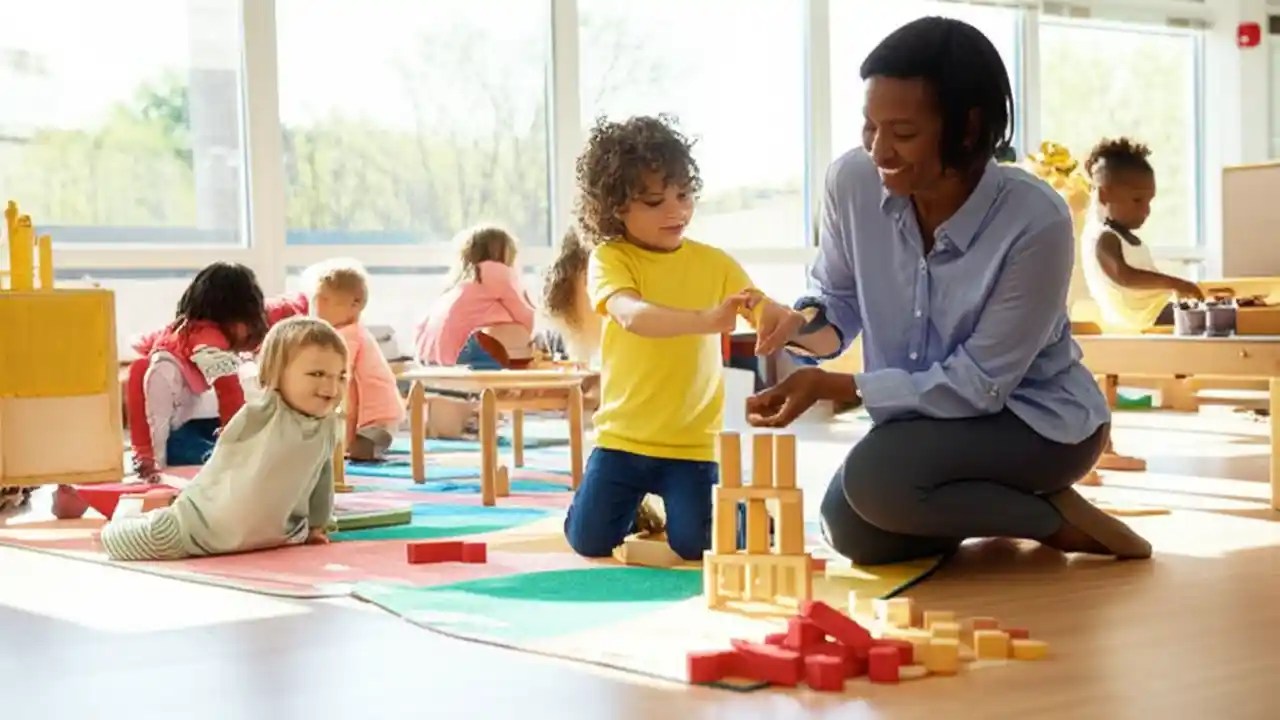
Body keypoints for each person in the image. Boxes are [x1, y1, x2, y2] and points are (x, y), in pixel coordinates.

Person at [746, 17, 1152, 566]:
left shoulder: (1036, 220)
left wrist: (835, 386)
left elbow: (982, 384)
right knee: (853, 532)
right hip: (925, 427)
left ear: (968, 126)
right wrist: (800, 324)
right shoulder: (850, 183)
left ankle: (1053, 518)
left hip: (1034, 421)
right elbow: (837, 304)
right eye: (870, 127)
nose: (879, 151)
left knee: (877, 483)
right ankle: (1002, 507)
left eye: (904, 133)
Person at [561, 114, 795, 560]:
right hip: (623, 439)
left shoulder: (715, 263)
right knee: (588, 541)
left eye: (683, 195)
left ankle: (747, 512)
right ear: (615, 208)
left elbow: (758, 307)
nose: (676, 211)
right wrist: (707, 319)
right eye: (653, 201)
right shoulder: (611, 258)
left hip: (691, 443)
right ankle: (629, 508)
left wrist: (773, 314)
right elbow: (632, 315)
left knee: (697, 546)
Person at [100, 317, 347, 561]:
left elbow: (321, 478)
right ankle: (124, 515)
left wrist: (317, 525)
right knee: (120, 540)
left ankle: (145, 509)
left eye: (341, 377)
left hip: (274, 534)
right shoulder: (268, 409)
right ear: (276, 375)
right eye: (317, 374)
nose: (332, 387)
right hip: (199, 527)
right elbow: (251, 394)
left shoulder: (326, 425)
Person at [125, 262, 272, 479]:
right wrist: (237, 441)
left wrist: (144, 455)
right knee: (218, 455)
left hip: (191, 424)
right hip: (179, 436)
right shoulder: (207, 340)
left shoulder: (181, 331)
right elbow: (228, 389)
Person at [1081, 136, 1204, 332]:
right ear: (1105, 195)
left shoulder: (1118, 235)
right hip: (1141, 319)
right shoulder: (1104, 238)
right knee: (1210, 319)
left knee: (1214, 312)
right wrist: (1175, 283)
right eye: (1138, 200)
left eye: (1149, 201)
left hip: (1151, 312)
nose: (1146, 210)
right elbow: (1124, 276)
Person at [300, 258, 405, 461]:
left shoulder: (349, 336)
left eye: (326, 299)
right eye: (317, 299)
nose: (318, 305)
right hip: (368, 417)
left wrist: (345, 438)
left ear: (354, 304)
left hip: (374, 420)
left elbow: (347, 389)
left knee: (354, 450)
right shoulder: (344, 333)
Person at [414, 224, 538, 369]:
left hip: (430, 363)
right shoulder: (496, 273)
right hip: (462, 362)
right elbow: (526, 319)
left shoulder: (457, 288)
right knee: (516, 333)